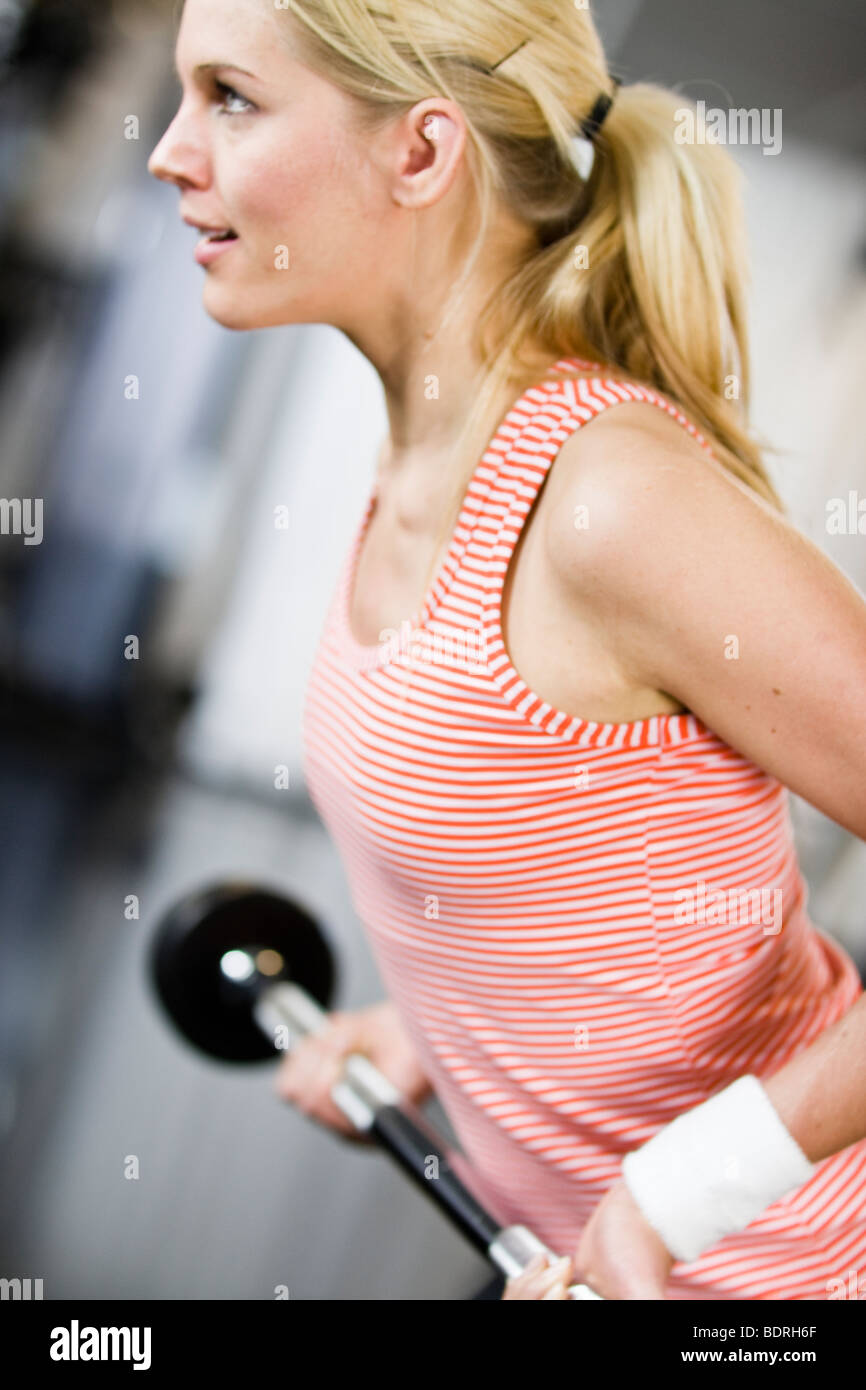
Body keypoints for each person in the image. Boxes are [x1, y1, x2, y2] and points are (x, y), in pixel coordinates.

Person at [148, 0, 866, 1300]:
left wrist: (678, 1189)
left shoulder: (607, 499)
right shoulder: (426, 460)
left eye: (230, 97)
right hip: (576, 1254)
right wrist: (436, 1033)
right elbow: (550, 865)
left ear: (419, 154)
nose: (169, 151)